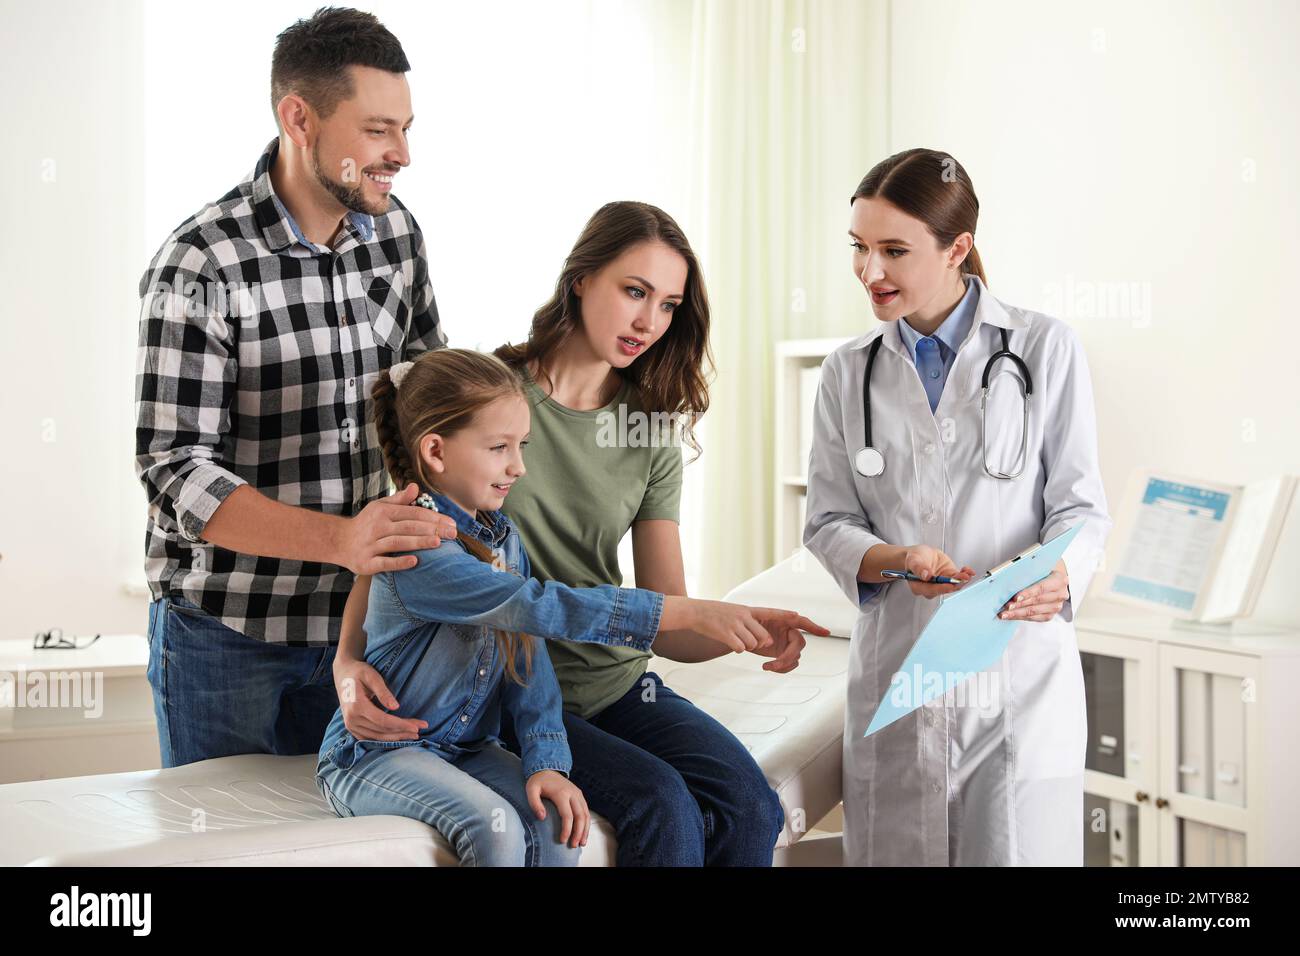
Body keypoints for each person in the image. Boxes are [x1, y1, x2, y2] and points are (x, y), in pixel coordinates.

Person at [333, 202, 830, 866]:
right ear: (581, 280)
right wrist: (345, 661)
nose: (649, 321)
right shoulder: (491, 400)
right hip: (505, 692)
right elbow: (395, 540)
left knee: (751, 807)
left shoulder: (650, 431)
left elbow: (670, 619)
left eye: (668, 304)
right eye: (634, 291)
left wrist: (736, 629)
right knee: (663, 806)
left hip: (615, 686)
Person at [134, 8, 455, 768]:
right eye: (379, 130)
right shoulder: (200, 265)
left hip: (364, 627)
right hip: (227, 636)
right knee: (228, 847)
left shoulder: (397, 234)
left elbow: (425, 392)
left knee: (356, 845)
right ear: (298, 117)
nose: (402, 153)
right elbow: (174, 471)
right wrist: (343, 540)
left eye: (407, 128)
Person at [804, 148, 1112, 866]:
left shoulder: (1043, 348)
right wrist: (892, 560)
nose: (869, 271)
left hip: (1017, 676)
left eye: (893, 250)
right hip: (901, 674)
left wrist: (1057, 571)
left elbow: (1079, 507)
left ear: (958, 248)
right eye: (859, 247)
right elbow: (826, 520)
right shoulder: (849, 371)